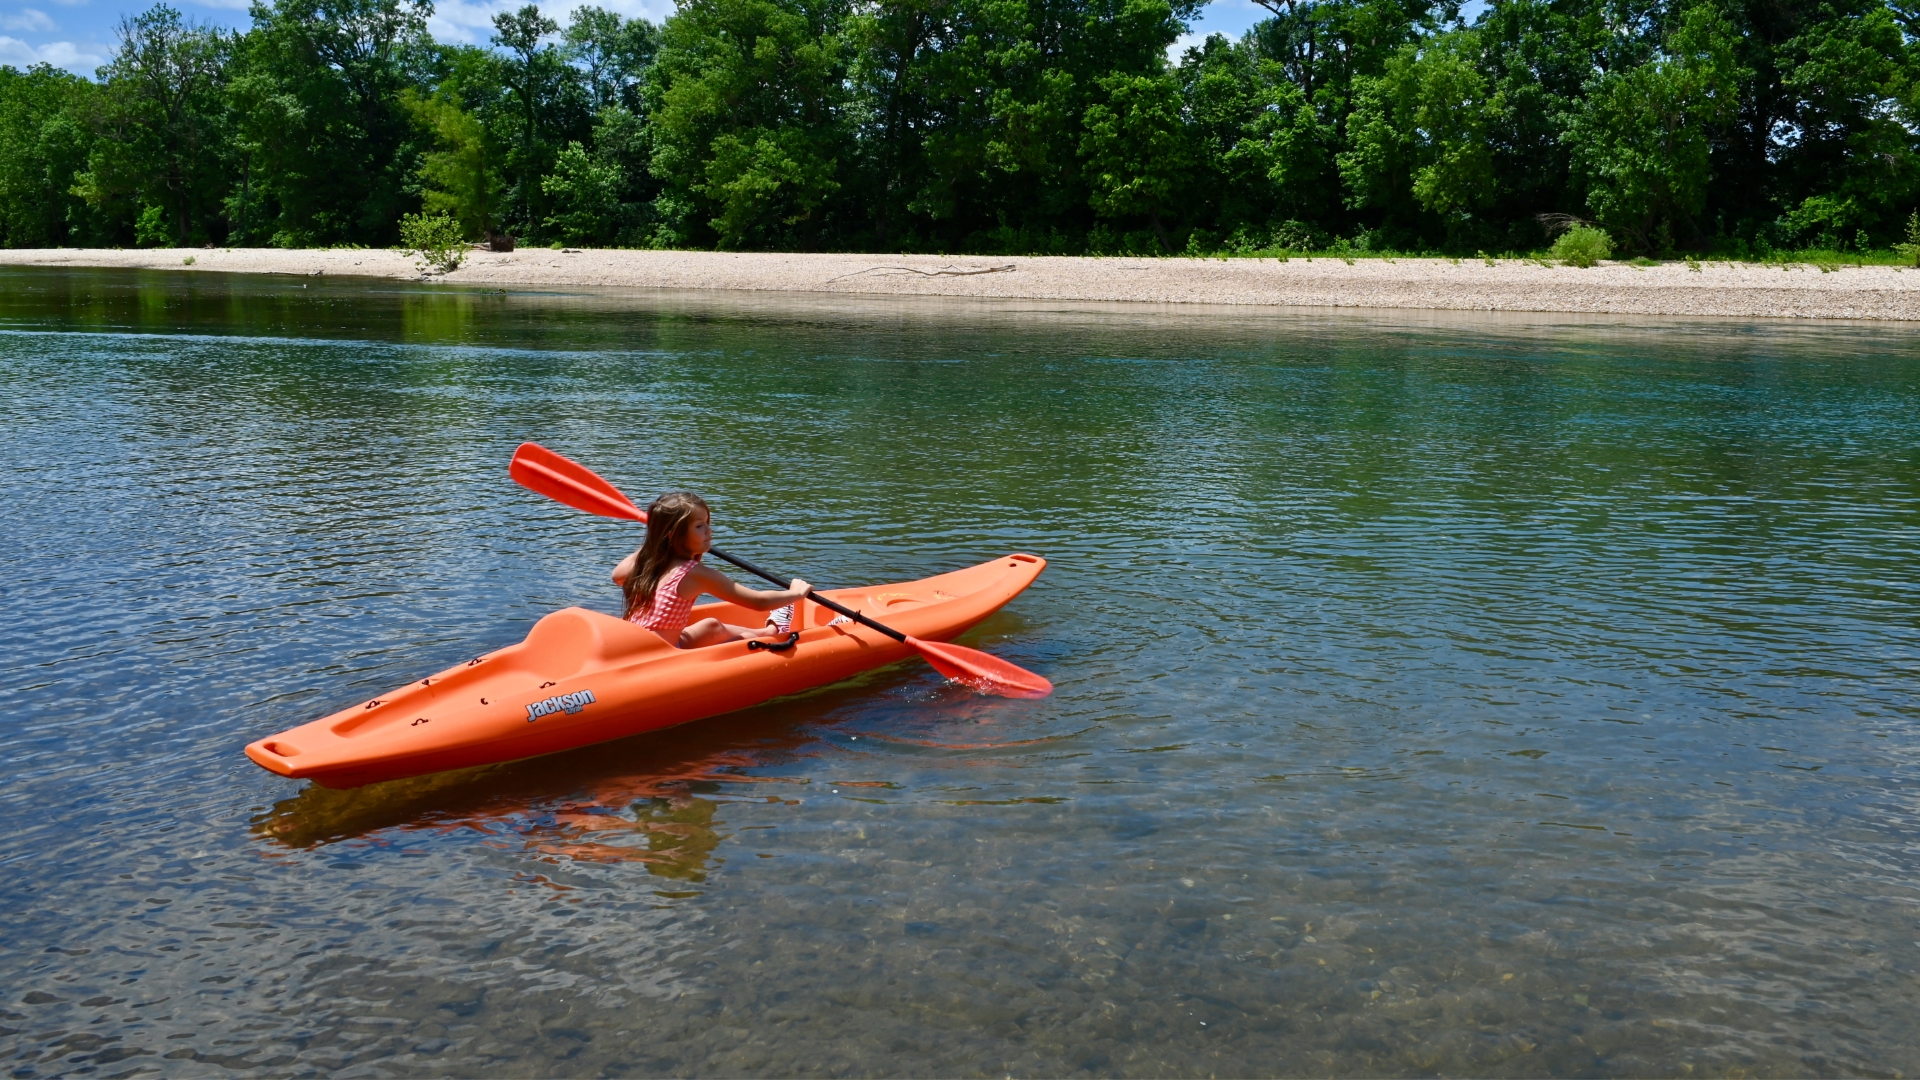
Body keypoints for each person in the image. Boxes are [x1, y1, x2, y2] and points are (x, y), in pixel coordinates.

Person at [613, 491, 809, 649]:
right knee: (745, 640)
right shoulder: (694, 574)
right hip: (660, 657)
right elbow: (758, 601)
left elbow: (617, 575)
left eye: (707, 522)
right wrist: (796, 593)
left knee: (712, 626)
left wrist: (656, 536)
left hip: (649, 645)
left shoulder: (646, 564)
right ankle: (768, 637)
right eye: (699, 526)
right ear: (674, 535)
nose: (709, 530)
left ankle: (771, 632)